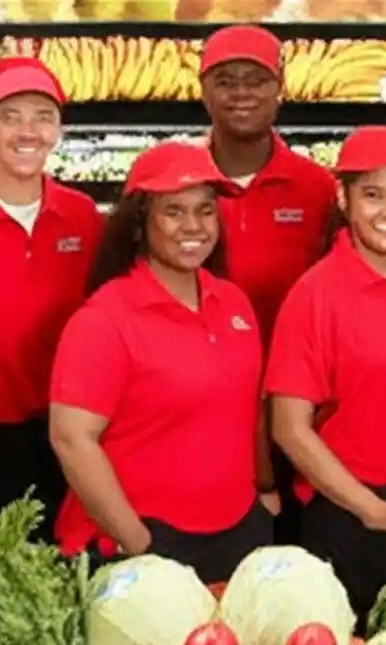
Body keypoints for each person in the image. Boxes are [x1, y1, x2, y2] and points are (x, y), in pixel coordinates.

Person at [48, 141, 273, 582]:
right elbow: (72, 439)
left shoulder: (233, 302)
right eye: (174, 211)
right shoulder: (104, 320)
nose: (193, 225)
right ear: (140, 222)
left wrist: (264, 496)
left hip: (234, 534)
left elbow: (250, 410)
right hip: (143, 546)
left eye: (205, 210)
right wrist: (138, 544)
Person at [265, 127, 386, 626]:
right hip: (353, 515)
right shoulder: (317, 294)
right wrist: (369, 508)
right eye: (373, 195)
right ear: (344, 196)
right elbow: (289, 426)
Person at [198, 23, 339, 536]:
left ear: (279, 90)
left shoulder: (316, 187)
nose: (241, 93)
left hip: (299, 407)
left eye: (255, 80)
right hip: (200, 402)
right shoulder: (178, 183)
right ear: (202, 90)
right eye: (226, 80)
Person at [0, 61, 101, 536]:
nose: (28, 131)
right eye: (11, 115)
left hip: (65, 433)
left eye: (43, 116)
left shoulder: (82, 218)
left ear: (58, 130)